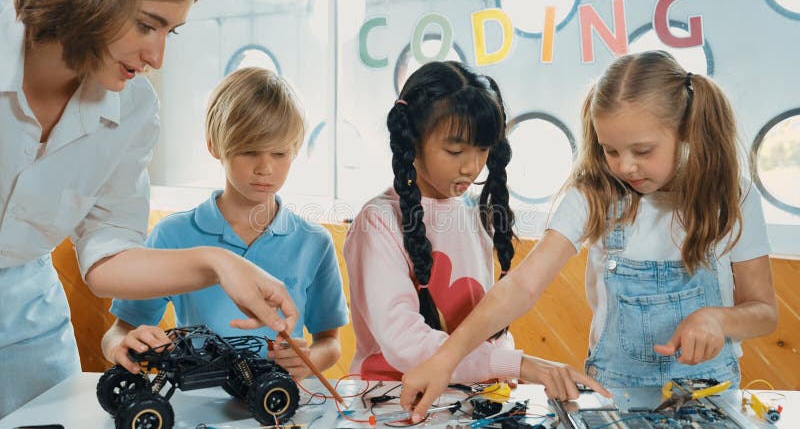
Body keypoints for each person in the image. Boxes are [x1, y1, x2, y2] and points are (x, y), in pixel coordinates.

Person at [400, 50, 777, 422]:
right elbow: (522, 286)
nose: (625, 166)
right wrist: (445, 359)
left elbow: (763, 312)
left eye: (642, 151)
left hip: (710, 398)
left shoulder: (733, 196)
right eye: (610, 150)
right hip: (614, 398)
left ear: (686, 131)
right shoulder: (594, 194)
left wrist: (717, 320)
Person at [0, 0, 296, 417]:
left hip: (29, 322)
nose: (156, 58)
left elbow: (108, 259)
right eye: (145, 25)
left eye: (169, 32)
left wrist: (219, 262)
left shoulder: (134, 107)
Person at [344, 61, 607, 395]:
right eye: (455, 151)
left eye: (482, 149)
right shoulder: (378, 221)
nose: (471, 166)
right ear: (413, 141)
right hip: (392, 400)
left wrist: (504, 364)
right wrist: (515, 364)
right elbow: (404, 344)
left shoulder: (472, 213)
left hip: (467, 398)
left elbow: (487, 326)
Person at [102, 67, 349, 380]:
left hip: (275, 398)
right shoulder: (172, 235)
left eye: (279, 153)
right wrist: (122, 344)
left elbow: (330, 342)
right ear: (214, 145)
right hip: (199, 398)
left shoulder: (314, 242)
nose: (265, 168)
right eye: (249, 151)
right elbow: (118, 331)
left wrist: (309, 359)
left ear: (296, 150)